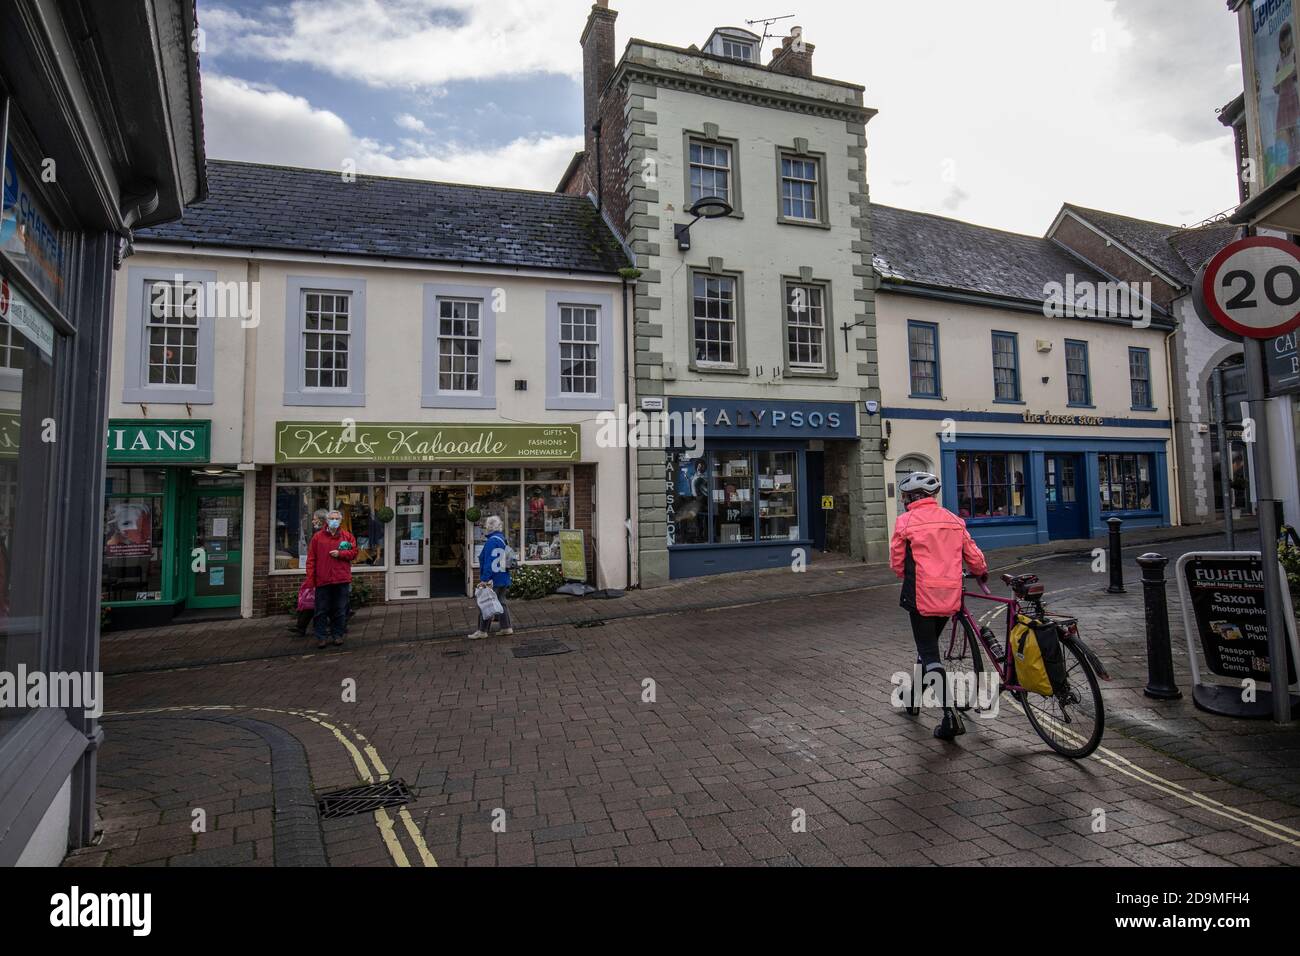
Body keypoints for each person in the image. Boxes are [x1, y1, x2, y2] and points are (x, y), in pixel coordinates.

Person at [890, 472, 988, 741]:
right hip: (950, 595)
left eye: (905, 496)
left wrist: (906, 574)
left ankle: (950, 715)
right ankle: (913, 697)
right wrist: (981, 572)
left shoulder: (905, 521)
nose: (904, 500)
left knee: (930, 654)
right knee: (929, 647)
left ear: (912, 497)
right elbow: (975, 557)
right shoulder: (954, 520)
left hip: (920, 596)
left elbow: (897, 563)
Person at [304, 509, 358, 649]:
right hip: (323, 579)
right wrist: (311, 579)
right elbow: (311, 559)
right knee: (321, 610)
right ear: (327, 521)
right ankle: (321, 637)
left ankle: (337, 635)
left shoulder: (347, 536)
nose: (334, 521)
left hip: (341, 579)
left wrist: (340, 554)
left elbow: (353, 553)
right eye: (332, 518)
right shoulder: (317, 538)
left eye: (337, 518)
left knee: (340, 609)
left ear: (341, 520)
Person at [469, 514, 513, 640]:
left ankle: (482, 631)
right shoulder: (502, 540)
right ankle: (506, 627)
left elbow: (489, 562)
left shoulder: (491, 542)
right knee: (501, 602)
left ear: (489, 527)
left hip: (493, 578)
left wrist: (484, 579)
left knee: (485, 603)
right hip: (503, 576)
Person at [289, 510, 328, 635]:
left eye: (315, 518)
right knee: (311, 600)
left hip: (323, 573)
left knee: (317, 602)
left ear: (321, 520)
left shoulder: (324, 535)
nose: (312, 521)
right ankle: (302, 626)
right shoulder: (317, 533)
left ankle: (308, 627)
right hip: (316, 572)